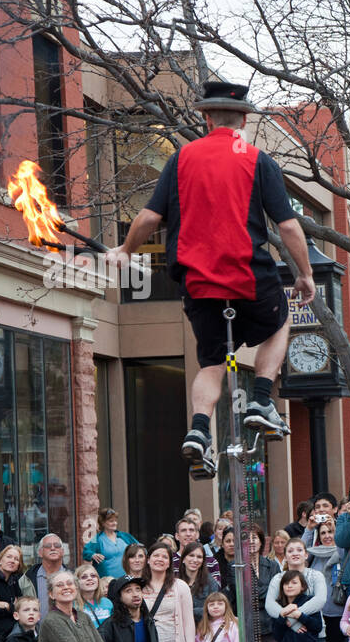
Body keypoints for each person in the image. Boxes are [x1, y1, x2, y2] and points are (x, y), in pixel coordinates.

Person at [109, 81, 315, 474]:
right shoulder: (257, 160)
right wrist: (303, 274)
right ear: (243, 119)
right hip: (248, 276)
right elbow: (288, 226)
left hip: (198, 284)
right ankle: (260, 400)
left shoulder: (181, 159)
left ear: (205, 118)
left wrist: (125, 251)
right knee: (281, 320)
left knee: (212, 362)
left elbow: (150, 217)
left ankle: (199, 430)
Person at [82, 509, 140, 579]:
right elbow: (86, 551)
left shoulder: (124, 536)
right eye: (111, 521)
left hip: (127, 578)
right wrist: (92, 554)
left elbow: (140, 548)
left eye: (115, 521)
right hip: (108, 581)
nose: (115, 523)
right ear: (103, 523)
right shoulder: (96, 538)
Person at [18, 534, 66, 617]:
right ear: (40, 553)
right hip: (36, 629)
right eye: (48, 546)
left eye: (57, 545)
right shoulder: (26, 580)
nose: (53, 548)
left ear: (62, 551)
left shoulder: (73, 579)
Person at [74, 562, 113, 628]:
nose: (89, 579)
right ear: (76, 582)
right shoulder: (73, 605)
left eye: (93, 576)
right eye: (84, 577)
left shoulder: (107, 602)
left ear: (98, 580)